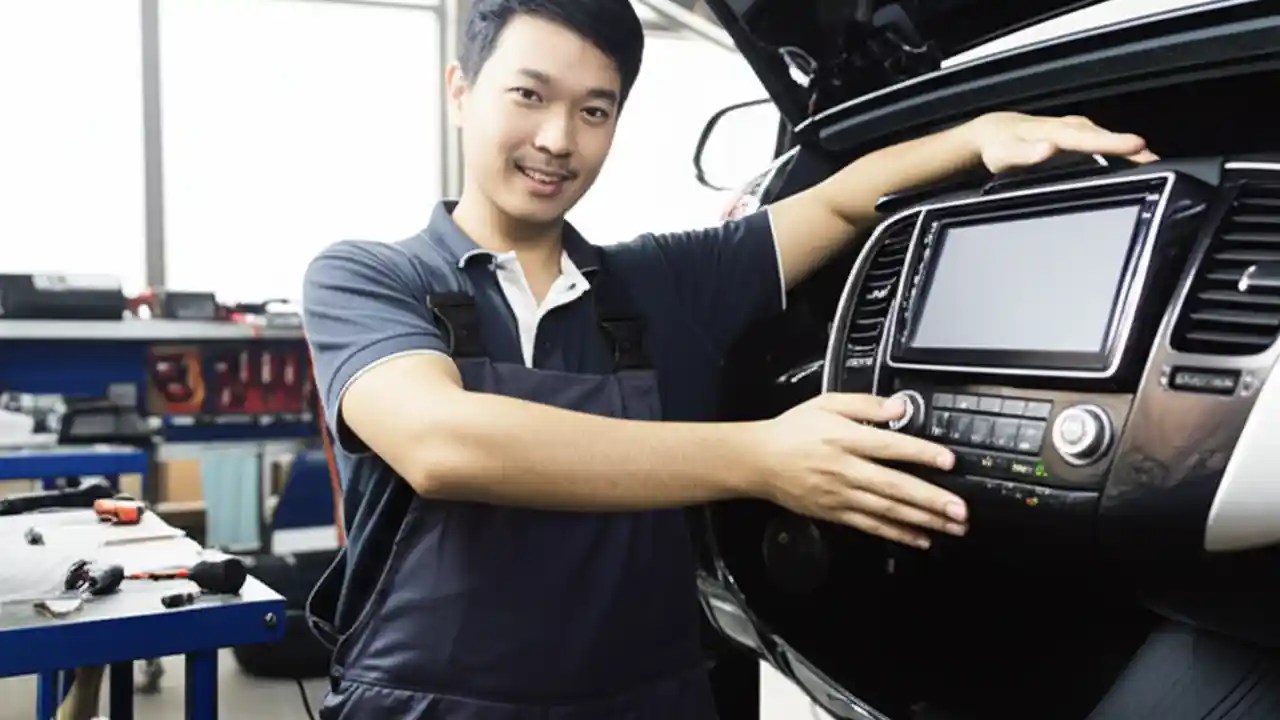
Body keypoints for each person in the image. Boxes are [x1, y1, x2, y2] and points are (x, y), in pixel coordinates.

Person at [299, 0, 1158, 717]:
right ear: (461, 91)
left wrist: (981, 136)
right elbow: (444, 445)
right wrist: (764, 458)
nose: (557, 138)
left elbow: (844, 198)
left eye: (595, 110)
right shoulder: (369, 277)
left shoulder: (660, 282)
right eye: (529, 95)